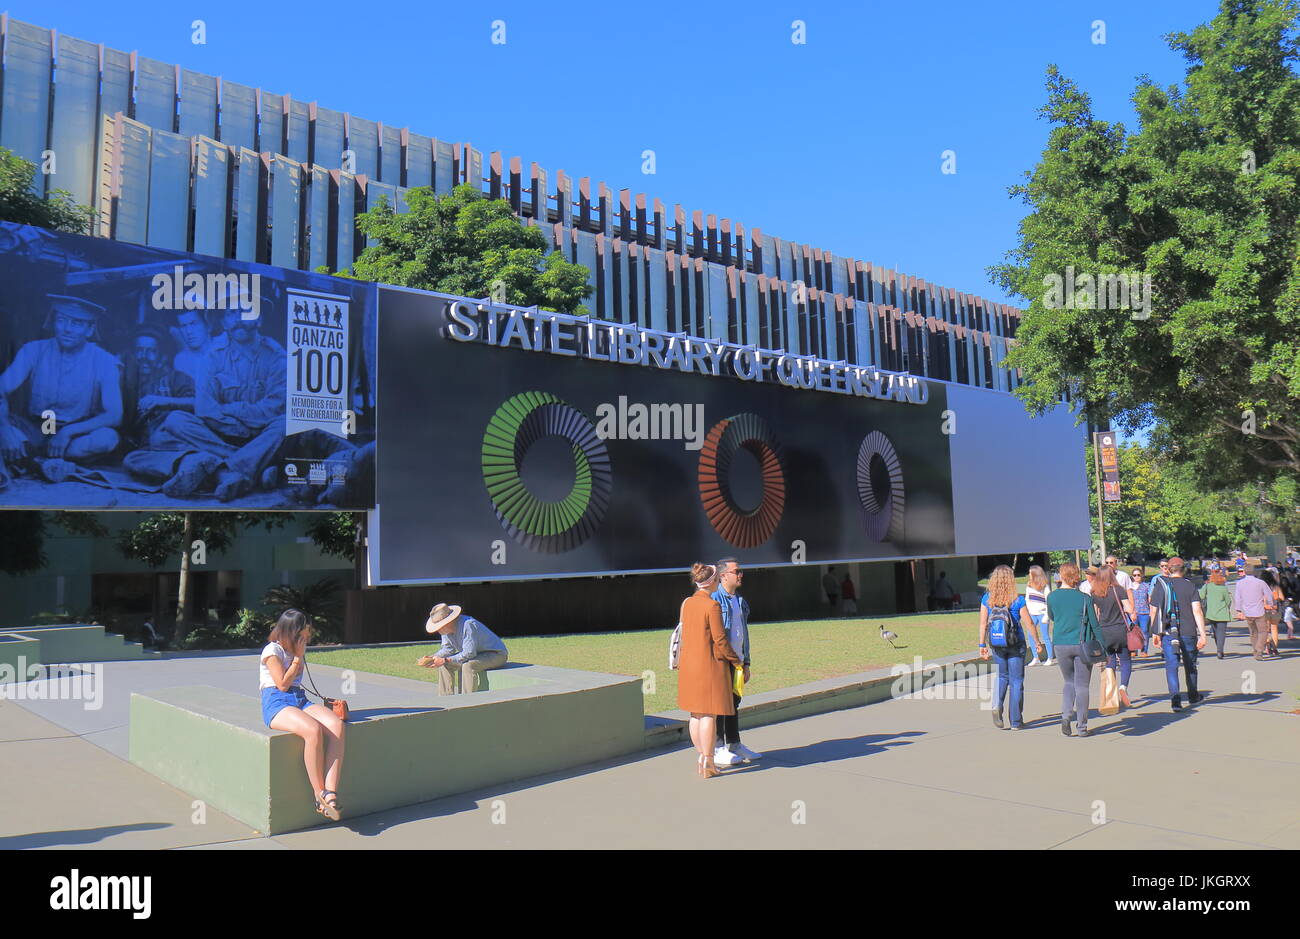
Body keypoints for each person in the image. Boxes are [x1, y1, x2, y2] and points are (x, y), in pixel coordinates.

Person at [0, 295, 122, 471]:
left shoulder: (105, 361)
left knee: (107, 438)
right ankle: (45, 461)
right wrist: (4, 430)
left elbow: (114, 415)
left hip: (75, 433)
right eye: (61, 320)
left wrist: (67, 432)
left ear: (90, 329)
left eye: (77, 323)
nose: (67, 329)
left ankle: (32, 460)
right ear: (53, 323)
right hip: (34, 427)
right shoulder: (33, 350)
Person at [259, 608, 345, 821]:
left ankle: (331, 791)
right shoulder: (272, 651)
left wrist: (298, 655)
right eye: (303, 636)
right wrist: (298, 658)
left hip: (299, 699)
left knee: (336, 725)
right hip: (276, 702)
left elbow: (295, 686)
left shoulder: (297, 648)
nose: (306, 639)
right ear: (290, 633)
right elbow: (281, 685)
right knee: (313, 730)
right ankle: (319, 794)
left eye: (307, 636)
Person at [678, 562, 741, 778]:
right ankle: (709, 761)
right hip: (709, 666)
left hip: (689, 666)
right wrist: (736, 660)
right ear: (712, 581)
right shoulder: (712, 606)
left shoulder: (687, 603)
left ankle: (701, 757)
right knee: (709, 715)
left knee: (695, 714)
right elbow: (720, 640)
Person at [978, 564, 1044, 730]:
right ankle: (1015, 721)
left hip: (997, 643)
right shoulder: (1017, 599)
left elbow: (983, 623)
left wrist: (982, 644)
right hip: (1016, 644)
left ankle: (997, 705)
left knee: (1002, 677)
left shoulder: (987, 599)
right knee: (1016, 681)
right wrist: (1036, 642)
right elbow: (1028, 622)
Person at [712, 558, 760, 765]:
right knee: (720, 706)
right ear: (723, 575)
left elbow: (743, 634)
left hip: (738, 663)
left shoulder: (740, 601)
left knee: (734, 703)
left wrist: (746, 662)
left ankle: (734, 744)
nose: (740, 575)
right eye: (736, 571)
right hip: (721, 663)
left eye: (740, 571)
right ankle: (716, 748)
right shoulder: (714, 600)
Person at [1046, 561, 1100, 737]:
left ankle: (1066, 715)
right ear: (1077, 576)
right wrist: (1104, 649)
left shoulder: (1052, 597)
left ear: (1061, 576)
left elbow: (1052, 616)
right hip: (1082, 643)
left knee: (1069, 682)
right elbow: (1095, 624)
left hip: (1060, 643)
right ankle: (1082, 727)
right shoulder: (1085, 598)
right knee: (1082, 685)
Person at [1149, 557, 1208, 711]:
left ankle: (1176, 700)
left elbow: (1154, 610)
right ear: (1183, 569)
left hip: (1168, 632)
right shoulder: (1190, 586)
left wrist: (1155, 632)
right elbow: (1197, 611)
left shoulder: (1161, 586)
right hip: (1188, 631)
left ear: (1168, 569)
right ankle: (1193, 696)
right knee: (1190, 665)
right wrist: (1202, 633)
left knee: (1171, 665)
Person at [417, 603, 509, 693]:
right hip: (476, 655)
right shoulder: (445, 631)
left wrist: (445, 660)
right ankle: (446, 699)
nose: (438, 630)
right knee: (444, 664)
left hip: (496, 655)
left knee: (468, 666)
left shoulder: (467, 625)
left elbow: (469, 653)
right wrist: (432, 658)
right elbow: (447, 649)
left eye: (439, 626)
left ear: (448, 622)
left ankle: (467, 702)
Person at [1089, 565, 1136, 708]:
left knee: (1110, 663)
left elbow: (1096, 614)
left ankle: (1111, 695)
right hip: (1120, 630)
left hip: (1104, 632)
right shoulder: (1118, 590)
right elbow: (1129, 609)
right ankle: (1123, 687)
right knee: (1126, 660)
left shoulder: (1094, 592)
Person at [1232, 565, 1276, 661]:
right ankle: (1259, 650)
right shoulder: (1260, 583)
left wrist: (1238, 610)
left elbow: (1238, 597)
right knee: (1263, 631)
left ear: (1244, 572)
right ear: (1254, 572)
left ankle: (1255, 650)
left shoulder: (1240, 583)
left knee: (1253, 632)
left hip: (1248, 612)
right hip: (1259, 611)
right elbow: (1269, 595)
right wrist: (1272, 604)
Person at [1023, 565, 1054, 666]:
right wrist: (1027, 612)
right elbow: (1027, 599)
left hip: (1043, 614)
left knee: (1045, 636)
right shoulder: (1029, 585)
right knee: (1030, 635)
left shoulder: (1045, 587)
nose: (1028, 575)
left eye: (1030, 573)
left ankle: (1050, 658)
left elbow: (1049, 602)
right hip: (1032, 614)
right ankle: (1035, 657)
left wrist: (1046, 615)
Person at [1199, 569, 1233, 659]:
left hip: (1211, 614)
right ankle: (1220, 650)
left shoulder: (1207, 586)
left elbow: (1200, 596)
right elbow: (1228, 601)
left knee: (1215, 632)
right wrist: (1227, 608)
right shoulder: (1223, 588)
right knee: (1221, 633)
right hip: (1222, 614)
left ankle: (1218, 648)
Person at [1130, 568, 1152, 656]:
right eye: (1134, 575)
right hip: (1133, 612)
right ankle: (1134, 650)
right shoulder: (1130, 587)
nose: (1137, 577)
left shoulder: (1146, 586)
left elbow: (1150, 599)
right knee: (1133, 632)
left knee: (1144, 631)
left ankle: (1144, 650)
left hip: (1144, 612)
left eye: (1138, 575)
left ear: (1142, 575)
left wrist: (1151, 610)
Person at [1262, 570, 1284, 656]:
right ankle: (1275, 649)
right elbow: (1281, 597)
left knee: (1266, 630)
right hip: (1275, 610)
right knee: (1274, 629)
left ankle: (1267, 646)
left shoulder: (1261, 587)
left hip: (1265, 610)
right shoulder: (1276, 586)